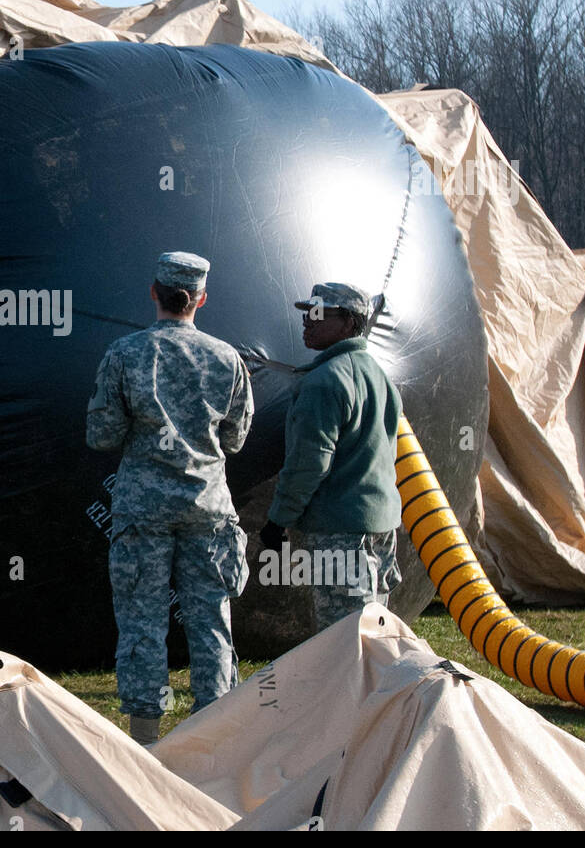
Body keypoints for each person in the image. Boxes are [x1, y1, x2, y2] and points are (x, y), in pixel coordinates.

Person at [86, 252, 253, 746]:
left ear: (154, 292)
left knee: (142, 622)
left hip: (143, 511)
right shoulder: (228, 358)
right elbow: (238, 438)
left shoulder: (124, 354)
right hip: (209, 508)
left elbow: (102, 435)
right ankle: (215, 745)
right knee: (211, 623)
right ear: (201, 299)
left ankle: (145, 743)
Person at [260, 282, 402, 633]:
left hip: (340, 532)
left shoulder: (323, 383)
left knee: (344, 641)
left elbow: (309, 464)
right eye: (308, 313)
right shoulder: (379, 376)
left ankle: (352, 691)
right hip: (380, 525)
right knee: (374, 636)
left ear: (350, 323)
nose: (309, 321)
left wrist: (278, 521)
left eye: (320, 313)